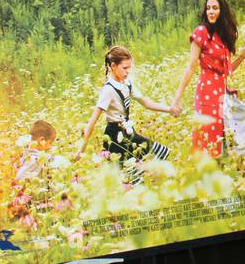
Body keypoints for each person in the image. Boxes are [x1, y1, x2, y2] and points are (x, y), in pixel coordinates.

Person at [74, 46, 175, 182]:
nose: (128, 71)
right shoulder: (108, 90)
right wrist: (81, 148)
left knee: (159, 152)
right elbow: (94, 119)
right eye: (125, 68)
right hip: (114, 136)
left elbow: (146, 103)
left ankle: (154, 180)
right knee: (129, 177)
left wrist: (169, 109)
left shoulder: (127, 84)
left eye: (129, 68)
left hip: (128, 132)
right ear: (113, 66)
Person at [170, 0, 245, 158]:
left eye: (215, 8)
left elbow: (226, 71)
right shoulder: (201, 32)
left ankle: (231, 171)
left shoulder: (223, 37)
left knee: (240, 126)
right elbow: (191, 66)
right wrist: (178, 96)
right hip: (207, 94)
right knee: (210, 138)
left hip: (223, 92)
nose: (211, 11)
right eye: (208, 8)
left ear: (222, 11)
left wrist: (242, 56)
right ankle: (206, 176)